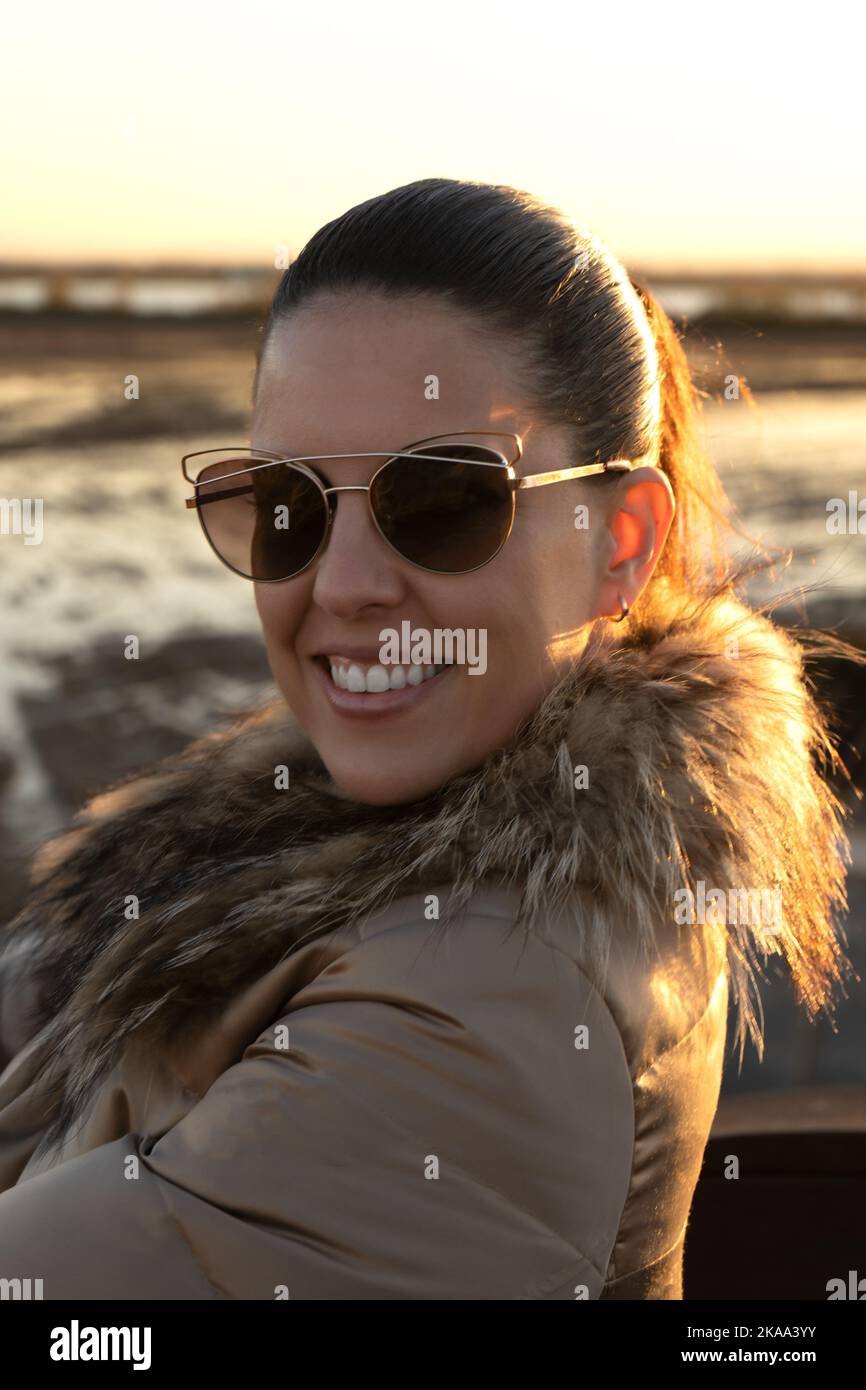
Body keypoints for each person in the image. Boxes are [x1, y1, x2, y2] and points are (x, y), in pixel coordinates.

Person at [0, 178, 853, 1300]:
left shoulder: (484, 1011)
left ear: (620, 541)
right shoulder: (367, 836)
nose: (341, 584)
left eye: (444, 500)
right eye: (290, 507)